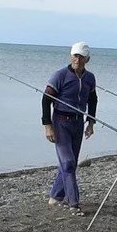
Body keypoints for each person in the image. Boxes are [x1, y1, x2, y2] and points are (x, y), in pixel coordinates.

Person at [42, 41, 97, 216]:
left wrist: (91, 122)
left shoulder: (90, 78)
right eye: (75, 55)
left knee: (69, 164)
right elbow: (46, 100)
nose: (77, 59)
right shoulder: (59, 75)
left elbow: (93, 100)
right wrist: (47, 126)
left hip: (78, 123)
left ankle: (55, 197)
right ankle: (73, 203)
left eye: (81, 57)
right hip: (60, 122)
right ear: (70, 56)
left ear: (87, 59)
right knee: (68, 163)